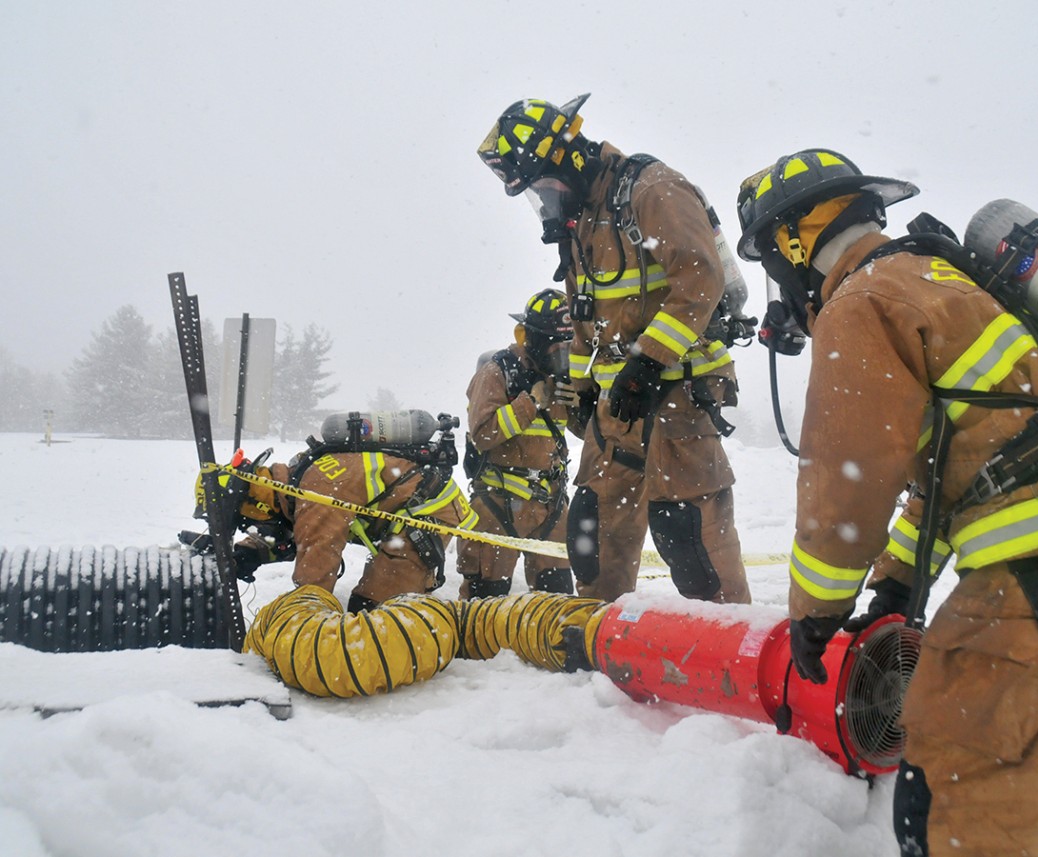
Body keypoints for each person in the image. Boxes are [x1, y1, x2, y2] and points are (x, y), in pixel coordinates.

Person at [734, 148, 1038, 856]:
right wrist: (898, 580)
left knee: (959, 803)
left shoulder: (862, 301)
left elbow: (845, 486)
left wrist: (816, 611)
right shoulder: (953, 280)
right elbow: (975, 462)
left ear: (793, 244)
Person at [476, 94, 751, 604]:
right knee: (593, 526)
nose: (544, 200)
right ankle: (598, 632)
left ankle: (731, 638)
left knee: (689, 532)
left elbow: (700, 280)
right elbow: (584, 317)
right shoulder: (583, 221)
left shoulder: (653, 191)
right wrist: (583, 390)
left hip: (678, 391)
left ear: (567, 160)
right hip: (616, 401)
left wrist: (649, 362)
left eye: (542, 185)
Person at [189, 417, 476, 613]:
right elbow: (291, 530)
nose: (250, 526)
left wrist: (297, 620)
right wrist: (248, 553)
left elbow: (316, 570)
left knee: (373, 612)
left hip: (428, 512)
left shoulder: (315, 494)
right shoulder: (294, 478)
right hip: (409, 509)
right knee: (366, 611)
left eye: (244, 520)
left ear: (255, 501)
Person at [457, 288, 583, 598]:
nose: (563, 353)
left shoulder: (567, 374)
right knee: (485, 603)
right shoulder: (496, 372)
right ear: (531, 338)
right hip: (497, 505)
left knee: (555, 603)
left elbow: (587, 432)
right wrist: (531, 402)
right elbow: (483, 435)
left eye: (568, 345)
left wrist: (583, 404)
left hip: (550, 505)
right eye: (556, 345)